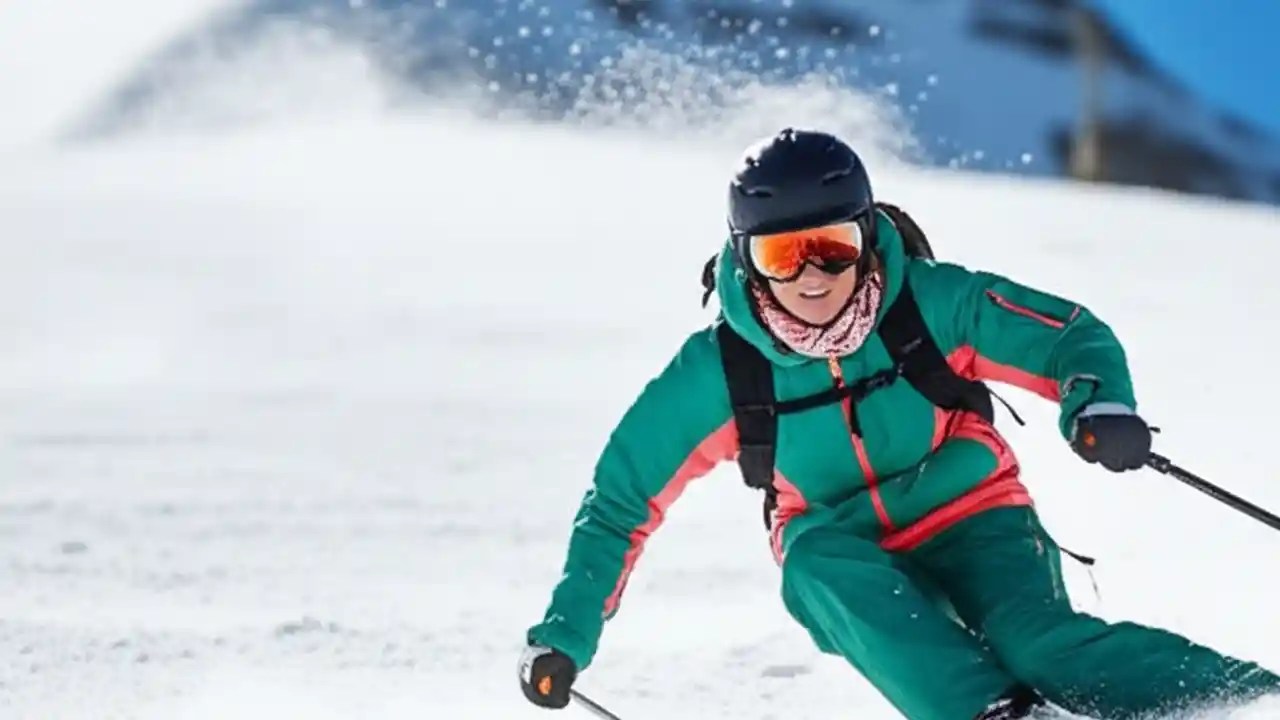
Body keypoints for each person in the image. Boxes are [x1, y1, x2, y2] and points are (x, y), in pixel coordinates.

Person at [517, 128, 1279, 720]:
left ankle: (1250, 702)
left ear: (866, 236)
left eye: (833, 249)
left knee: (1039, 644)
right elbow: (620, 501)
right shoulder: (720, 372)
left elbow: (1066, 335)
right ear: (745, 261)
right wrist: (566, 635)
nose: (813, 278)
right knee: (812, 561)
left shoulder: (928, 304)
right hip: (848, 550)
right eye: (784, 255)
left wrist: (1096, 403)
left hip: (976, 517)